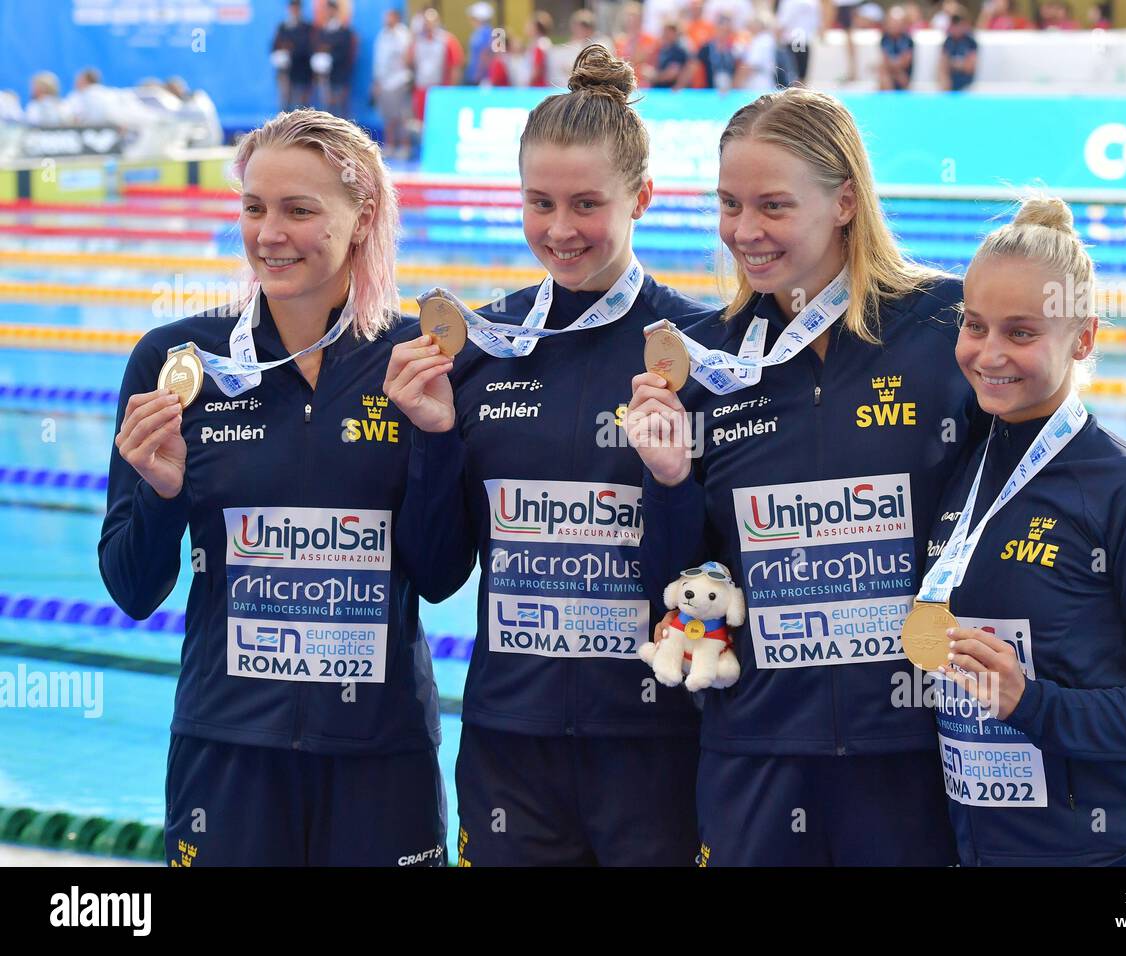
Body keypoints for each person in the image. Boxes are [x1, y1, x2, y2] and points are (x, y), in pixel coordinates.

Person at [625, 88, 973, 866]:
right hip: (758, 755)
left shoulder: (944, 327)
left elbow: (1032, 475)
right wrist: (670, 479)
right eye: (729, 204)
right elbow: (671, 581)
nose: (744, 231)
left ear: (845, 198)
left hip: (912, 752)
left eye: (773, 205)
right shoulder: (705, 361)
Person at [100, 110, 456, 866]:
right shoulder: (174, 362)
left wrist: (433, 440)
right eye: (254, 207)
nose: (268, 233)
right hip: (228, 750)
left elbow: (441, 572)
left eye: (299, 210)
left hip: (379, 753)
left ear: (361, 220)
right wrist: (161, 495)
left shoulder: (413, 360)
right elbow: (132, 589)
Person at [385, 47, 708, 867]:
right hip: (510, 746)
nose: (561, 230)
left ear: (642, 198)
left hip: (656, 747)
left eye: (587, 204)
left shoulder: (698, 352)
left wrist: (670, 483)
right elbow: (436, 572)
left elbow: (708, 587)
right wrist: (430, 439)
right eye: (540, 203)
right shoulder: (481, 349)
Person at [926, 196, 1126, 865]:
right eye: (974, 326)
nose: (990, 353)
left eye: (1022, 333)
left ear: (1084, 338)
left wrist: (1033, 703)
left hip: (1125, 853)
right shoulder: (959, 474)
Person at [408, 8, 464, 143]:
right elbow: (408, 62)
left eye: (431, 22)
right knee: (422, 125)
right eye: (425, 22)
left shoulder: (447, 40)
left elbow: (455, 65)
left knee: (440, 123)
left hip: (439, 89)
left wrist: (450, 89)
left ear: (437, 22)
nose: (428, 25)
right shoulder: (417, 41)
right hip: (422, 89)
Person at [372, 8, 412, 158]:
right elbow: (378, 61)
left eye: (390, 17)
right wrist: (377, 82)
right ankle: (390, 145)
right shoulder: (382, 36)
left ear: (397, 18)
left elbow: (406, 58)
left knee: (402, 117)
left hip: (399, 82)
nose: (387, 20)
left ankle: (405, 146)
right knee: (388, 117)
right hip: (384, 83)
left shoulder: (403, 35)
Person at [272, 0, 314, 112]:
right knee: (284, 102)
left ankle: (301, 129)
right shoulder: (282, 26)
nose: (294, 10)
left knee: (300, 105)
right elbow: (274, 45)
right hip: (284, 72)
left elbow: (306, 48)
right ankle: (284, 128)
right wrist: (280, 55)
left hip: (301, 72)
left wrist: (290, 53)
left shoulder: (307, 27)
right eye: (292, 7)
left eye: (297, 8)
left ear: (300, 9)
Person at [615, 2, 661, 88]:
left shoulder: (650, 39)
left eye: (634, 19)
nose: (631, 22)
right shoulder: (620, 41)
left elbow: (650, 60)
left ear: (641, 20)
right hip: (625, 85)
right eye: (629, 18)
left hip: (645, 86)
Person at [774, 0, 820, 86]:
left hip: (793, 40)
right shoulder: (812, 2)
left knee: (792, 75)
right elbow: (816, 22)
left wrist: (775, 40)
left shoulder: (790, 2)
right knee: (801, 75)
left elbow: (782, 22)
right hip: (804, 39)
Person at [939, 10, 978, 91]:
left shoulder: (970, 42)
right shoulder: (948, 41)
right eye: (954, 25)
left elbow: (969, 67)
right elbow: (943, 63)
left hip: (966, 81)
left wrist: (953, 64)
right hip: (950, 81)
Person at [879, 6, 916, 90]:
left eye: (897, 23)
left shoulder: (908, 39)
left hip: (903, 75)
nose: (894, 25)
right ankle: (888, 100)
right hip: (890, 72)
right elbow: (885, 59)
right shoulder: (884, 38)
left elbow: (905, 62)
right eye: (892, 22)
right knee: (884, 73)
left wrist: (891, 65)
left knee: (895, 74)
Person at [653, 19, 691, 88]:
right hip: (661, 90)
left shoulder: (679, 50)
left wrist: (654, 77)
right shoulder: (663, 49)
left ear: (675, 33)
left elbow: (672, 74)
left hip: (671, 93)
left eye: (667, 32)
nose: (664, 34)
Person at [465, 1, 496, 86]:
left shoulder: (488, 32)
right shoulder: (476, 32)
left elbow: (487, 55)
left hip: (483, 78)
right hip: (474, 76)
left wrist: (478, 74)